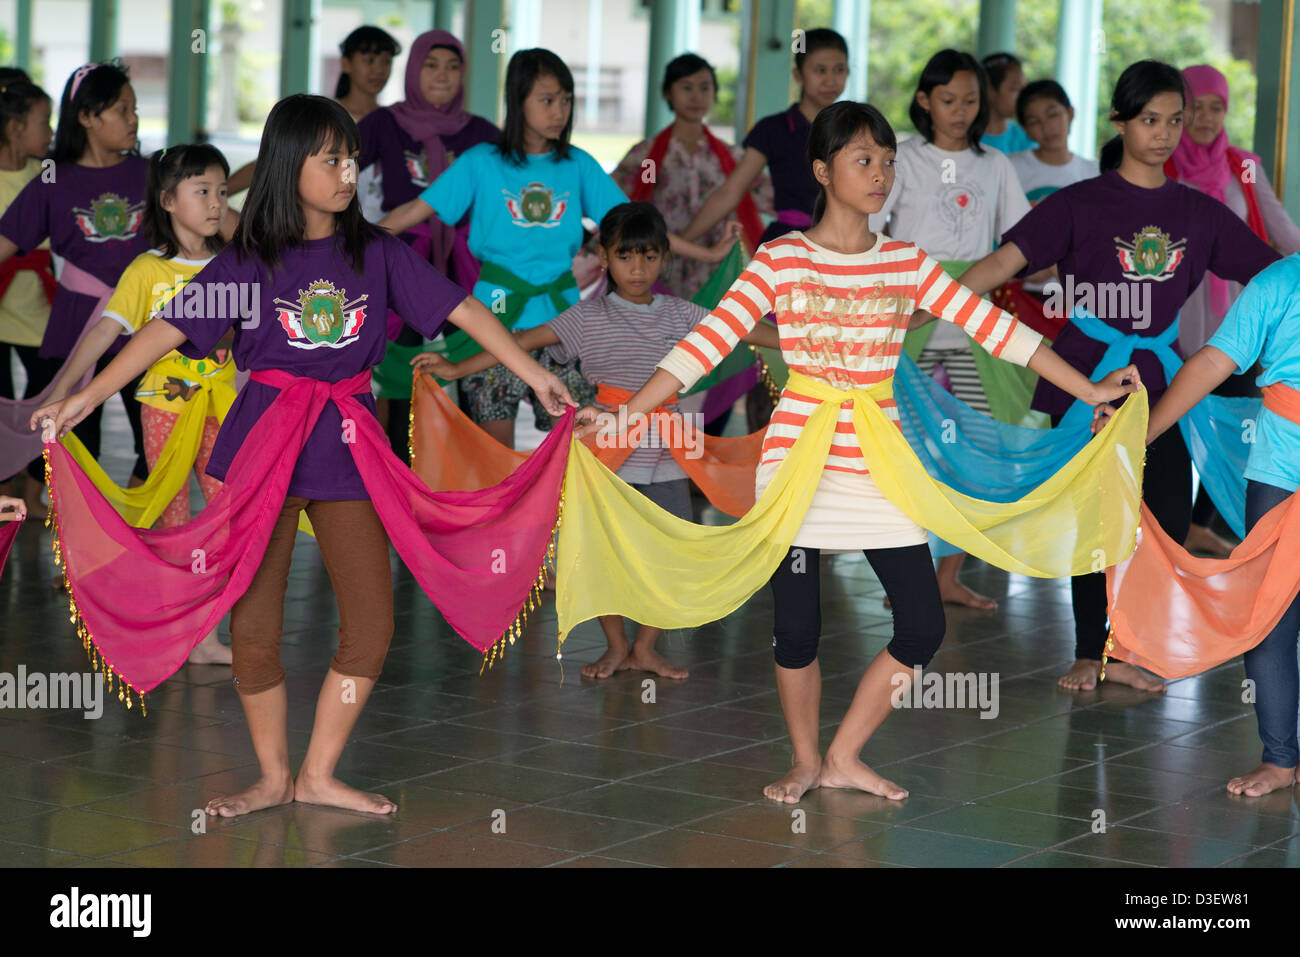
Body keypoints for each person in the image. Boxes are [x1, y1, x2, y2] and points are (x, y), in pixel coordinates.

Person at [581, 102, 1141, 803]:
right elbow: (709, 341)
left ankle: (845, 753)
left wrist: (1088, 389)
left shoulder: (906, 262)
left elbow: (996, 329)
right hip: (800, 452)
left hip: (879, 451)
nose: (880, 173)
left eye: (886, 159)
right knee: (797, 623)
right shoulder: (783, 255)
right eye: (862, 160)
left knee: (922, 620)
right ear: (822, 171)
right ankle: (805, 757)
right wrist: (626, 415)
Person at [35, 94, 576, 817]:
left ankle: (318, 771)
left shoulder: (376, 250)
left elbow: (464, 310)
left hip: (348, 444)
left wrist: (536, 372)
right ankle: (269, 775)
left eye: (351, 156)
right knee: (254, 630)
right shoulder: (249, 260)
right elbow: (159, 332)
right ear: (291, 167)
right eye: (331, 158)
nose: (349, 170)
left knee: (372, 623)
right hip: (265, 443)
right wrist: (82, 397)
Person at [957, 60, 1280, 692]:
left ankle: (1133, 648)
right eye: (1150, 120)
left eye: (1174, 122)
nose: (1163, 134)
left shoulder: (1199, 212)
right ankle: (1089, 649)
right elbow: (1003, 262)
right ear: (1120, 121)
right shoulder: (1080, 202)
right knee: (1094, 517)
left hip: (1160, 378)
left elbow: (1272, 275)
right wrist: (928, 305)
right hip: (1085, 372)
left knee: (1159, 514)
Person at [421, 201, 778, 679]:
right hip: (606, 452)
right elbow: (519, 345)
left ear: (665, 259)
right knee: (606, 550)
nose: (638, 267)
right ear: (605, 259)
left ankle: (645, 648)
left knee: (668, 549)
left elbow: (743, 330)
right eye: (626, 256)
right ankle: (614, 646)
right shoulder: (585, 318)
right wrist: (454, 368)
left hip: (672, 454)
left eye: (649, 256)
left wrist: (814, 338)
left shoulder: (682, 314)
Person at [377, 48, 738, 450]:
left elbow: (639, 226)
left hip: (564, 322)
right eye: (547, 100)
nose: (559, 111)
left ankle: (560, 517)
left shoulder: (578, 165)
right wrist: (352, 236)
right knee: (495, 455)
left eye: (566, 100)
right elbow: (414, 210)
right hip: (494, 318)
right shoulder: (480, 162)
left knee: (575, 447)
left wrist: (709, 254)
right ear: (518, 102)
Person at [33, 144, 235, 665]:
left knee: (223, 514)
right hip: (165, 406)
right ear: (168, 200)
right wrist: (65, 391)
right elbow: (106, 330)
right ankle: (180, 630)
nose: (217, 203)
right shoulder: (148, 270)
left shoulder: (237, 265)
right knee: (171, 514)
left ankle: (207, 630)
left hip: (223, 405)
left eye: (222, 191)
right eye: (203, 191)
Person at [870, 48, 1033, 611]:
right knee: (905, 454)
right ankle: (908, 578)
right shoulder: (901, 160)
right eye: (947, 100)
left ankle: (946, 577)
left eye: (970, 100)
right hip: (906, 321)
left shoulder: (996, 165)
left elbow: (1019, 241)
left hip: (974, 324)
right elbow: (868, 228)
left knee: (976, 450)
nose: (959, 111)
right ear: (923, 101)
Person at [1167, 64, 1300, 558]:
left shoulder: (1242, 165)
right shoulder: (1163, 165)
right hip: (1173, 318)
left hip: (1239, 319)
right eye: (1193, 107)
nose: (1204, 117)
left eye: (1215, 107)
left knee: (1237, 426)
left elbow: (1284, 233)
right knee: (1180, 418)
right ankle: (1175, 525)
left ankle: (1205, 524)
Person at [0, 62, 151, 492]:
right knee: (74, 446)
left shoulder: (148, 173)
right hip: (75, 328)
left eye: (134, 108)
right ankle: (84, 550)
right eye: (122, 109)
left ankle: (136, 535)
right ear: (86, 116)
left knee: (156, 441)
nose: (133, 119)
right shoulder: (53, 179)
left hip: (143, 324)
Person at [611, 53, 772, 298]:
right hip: (663, 269)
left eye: (705, 88)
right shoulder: (651, 157)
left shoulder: (732, 159)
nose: (696, 96)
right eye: (686, 88)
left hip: (717, 271)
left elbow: (773, 197)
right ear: (668, 93)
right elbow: (625, 199)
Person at [679, 27, 849, 247]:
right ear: (798, 75)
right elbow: (731, 191)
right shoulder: (773, 129)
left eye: (839, 70)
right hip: (788, 245)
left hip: (844, 244)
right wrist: (679, 244)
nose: (830, 80)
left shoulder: (856, 129)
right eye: (820, 70)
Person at [0, 74, 55, 517]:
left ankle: (34, 491)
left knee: (46, 401)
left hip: (41, 309)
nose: (52, 133)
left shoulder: (47, 176)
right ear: (16, 127)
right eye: (44, 123)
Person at [980, 52, 1036, 153]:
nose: (1024, 96)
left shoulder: (1027, 139)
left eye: (1024, 89)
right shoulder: (963, 138)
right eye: (1016, 89)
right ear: (990, 90)